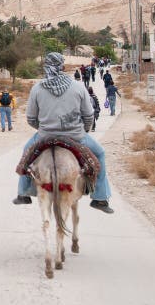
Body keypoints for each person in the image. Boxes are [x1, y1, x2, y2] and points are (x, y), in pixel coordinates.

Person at [12, 52, 114, 214]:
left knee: (26, 153)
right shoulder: (78, 87)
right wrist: (83, 130)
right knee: (100, 154)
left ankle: (23, 193)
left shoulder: (37, 88)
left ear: (46, 66)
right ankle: (100, 198)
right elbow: (88, 115)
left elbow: (31, 118)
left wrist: (45, 127)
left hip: (45, 136)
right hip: (75, 135)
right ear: (62, 66)